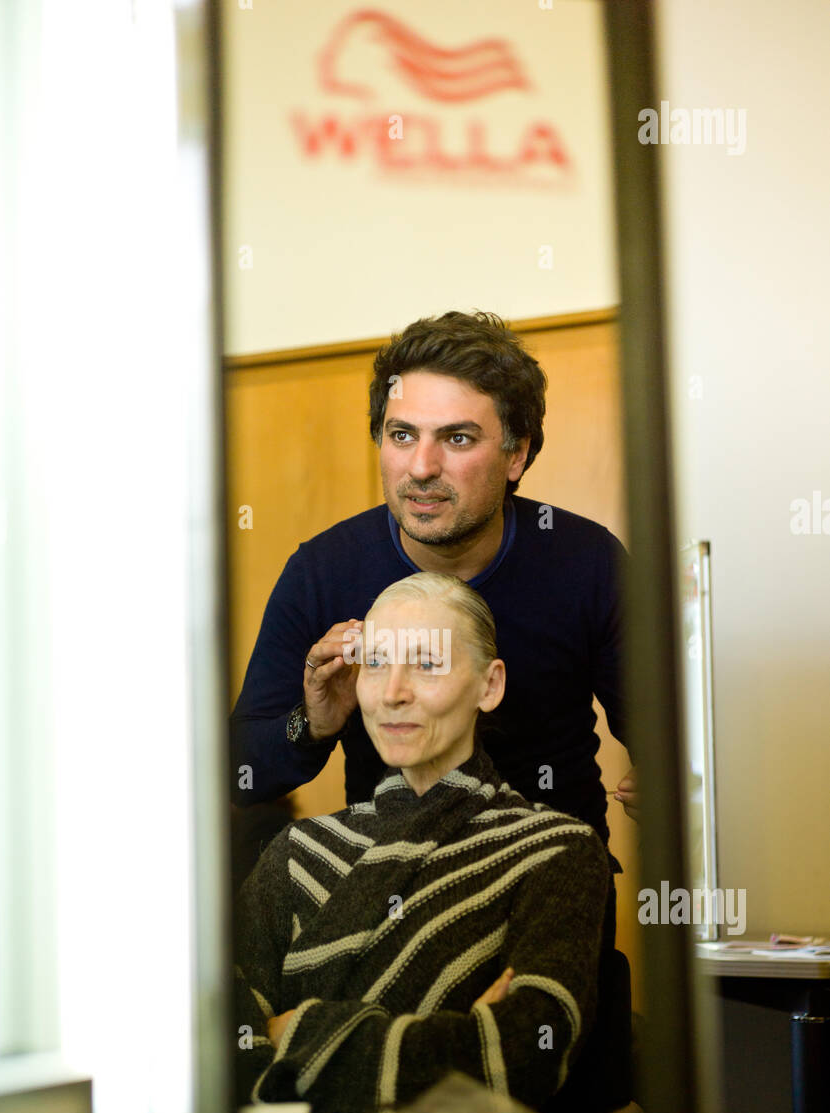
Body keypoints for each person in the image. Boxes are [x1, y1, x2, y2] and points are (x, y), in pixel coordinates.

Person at [230, 310, 636, 950]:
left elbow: (663, 733)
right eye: (401, 435)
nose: (420, 467)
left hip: (554, 897)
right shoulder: (323, 570)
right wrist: (313, 723)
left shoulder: (586, 562)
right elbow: (243, 769)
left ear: (516, 453)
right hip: (391, 897)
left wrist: (672, 778)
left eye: (457, 438)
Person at [234, 574, 609, 1113]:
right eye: (378, 663)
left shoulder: (556, 852)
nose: (392, 693)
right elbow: (213, 1045)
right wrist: (453, 1052)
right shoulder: (298, 852)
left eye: (427, 664)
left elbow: (524, 1060)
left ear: (490, 685)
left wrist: (297, 1035)